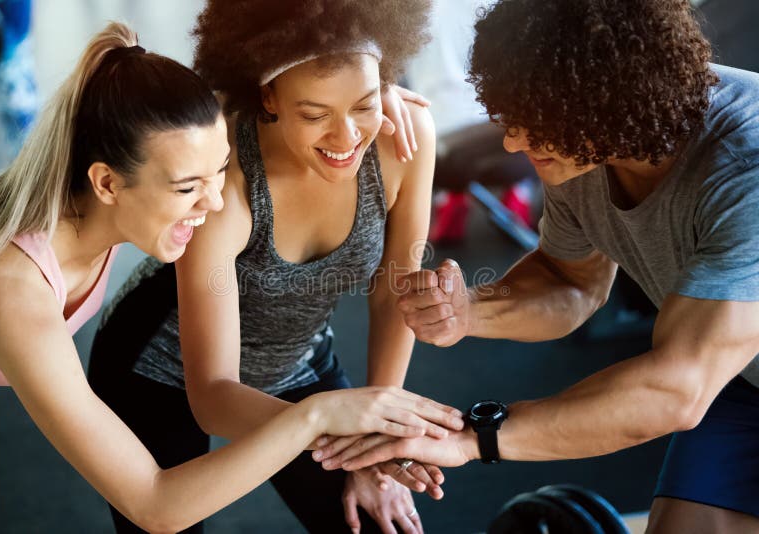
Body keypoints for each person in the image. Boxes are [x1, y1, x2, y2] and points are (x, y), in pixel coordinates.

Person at [0, 22, 462, 534]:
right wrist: (322, 420)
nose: (215, 203)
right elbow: (156, 504)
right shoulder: (14, 287)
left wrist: (365, 94)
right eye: (187, 188)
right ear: (107, 183)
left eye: (218, 172)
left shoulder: (99, 206)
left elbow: (210, 114)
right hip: (136, 371)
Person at [313, 1, 759, 533]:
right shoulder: (583, 144)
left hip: (705, 374)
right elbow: (569, 280)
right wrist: (469, 311)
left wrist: (475, 437)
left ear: (613, 101)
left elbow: (675, 390)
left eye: (536, 124)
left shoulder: (744, 170)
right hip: (740, 377)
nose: (512, 143)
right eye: (513, 118)